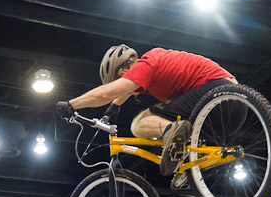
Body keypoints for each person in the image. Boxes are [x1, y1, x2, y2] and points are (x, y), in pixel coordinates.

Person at [57, 45, 237, 179]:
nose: (125, 83)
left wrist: (71, 104)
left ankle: (172, 131)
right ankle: (195, 161)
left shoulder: (146, 63)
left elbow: (106, 93)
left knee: (140, 123)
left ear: (124, 70)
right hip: (234, 109)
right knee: (184, 131)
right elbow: (125, 93)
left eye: (121, 79)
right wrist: (113, 108)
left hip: (216, 91)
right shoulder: (154, 63)